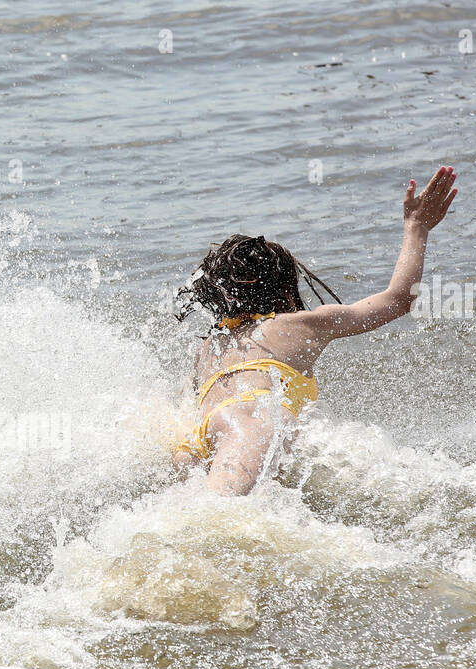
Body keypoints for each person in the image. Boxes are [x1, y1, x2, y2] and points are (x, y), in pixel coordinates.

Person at [172, 165, 458, 495]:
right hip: (250, 419)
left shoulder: (208, 347)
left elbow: (185, 410)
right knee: (217, 522)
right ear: (284, 290)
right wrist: (417, 228)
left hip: (195, 441)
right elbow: (397, 300)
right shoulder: (299, 324)